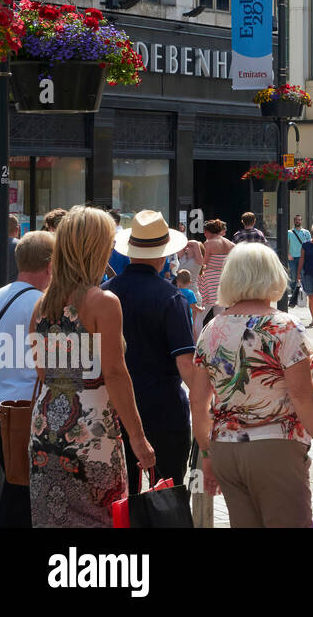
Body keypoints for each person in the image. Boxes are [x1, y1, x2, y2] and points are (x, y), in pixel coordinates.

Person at [189, 242, 313, 527]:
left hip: (226, 449)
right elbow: (303, 397)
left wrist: (206, 453)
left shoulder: (212, 330)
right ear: (272, 275)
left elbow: (198, 401)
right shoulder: (284, 327)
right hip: (276, 447)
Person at [29, 207, 156, 526]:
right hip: (91, 431)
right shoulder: (102, 302)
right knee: (100, 520)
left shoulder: (42, 304)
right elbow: (115, 373)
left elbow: (42, 373)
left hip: (46, 430)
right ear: (95, 248)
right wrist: (139, 440)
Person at [106, 210, 199, 493]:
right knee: (169, 496)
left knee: (122, 497)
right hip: (164, 410)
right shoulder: (172, 297)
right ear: (163, 256)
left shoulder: (104, 293)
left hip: (115, 410)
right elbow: (185, 363)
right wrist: (207, 403)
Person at [0, 231, 53, 527]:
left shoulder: (0, 296)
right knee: (24, 498)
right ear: (51, 265)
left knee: (14, 491)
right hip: (25, 416)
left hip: (1, 412)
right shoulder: (44, 306)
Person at [286, 216, 310, 308]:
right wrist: (288, 254)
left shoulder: (306, 232)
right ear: (294, 221)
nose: (297, 221)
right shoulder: (289, 232)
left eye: (299, 220)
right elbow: (286, 243)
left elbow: (309, 244)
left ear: (301, 221)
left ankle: (302, 294)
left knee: (303, 275)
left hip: (303, 257)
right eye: (296, 220)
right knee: (293, 275)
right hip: (292, 257)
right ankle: (293, 295)